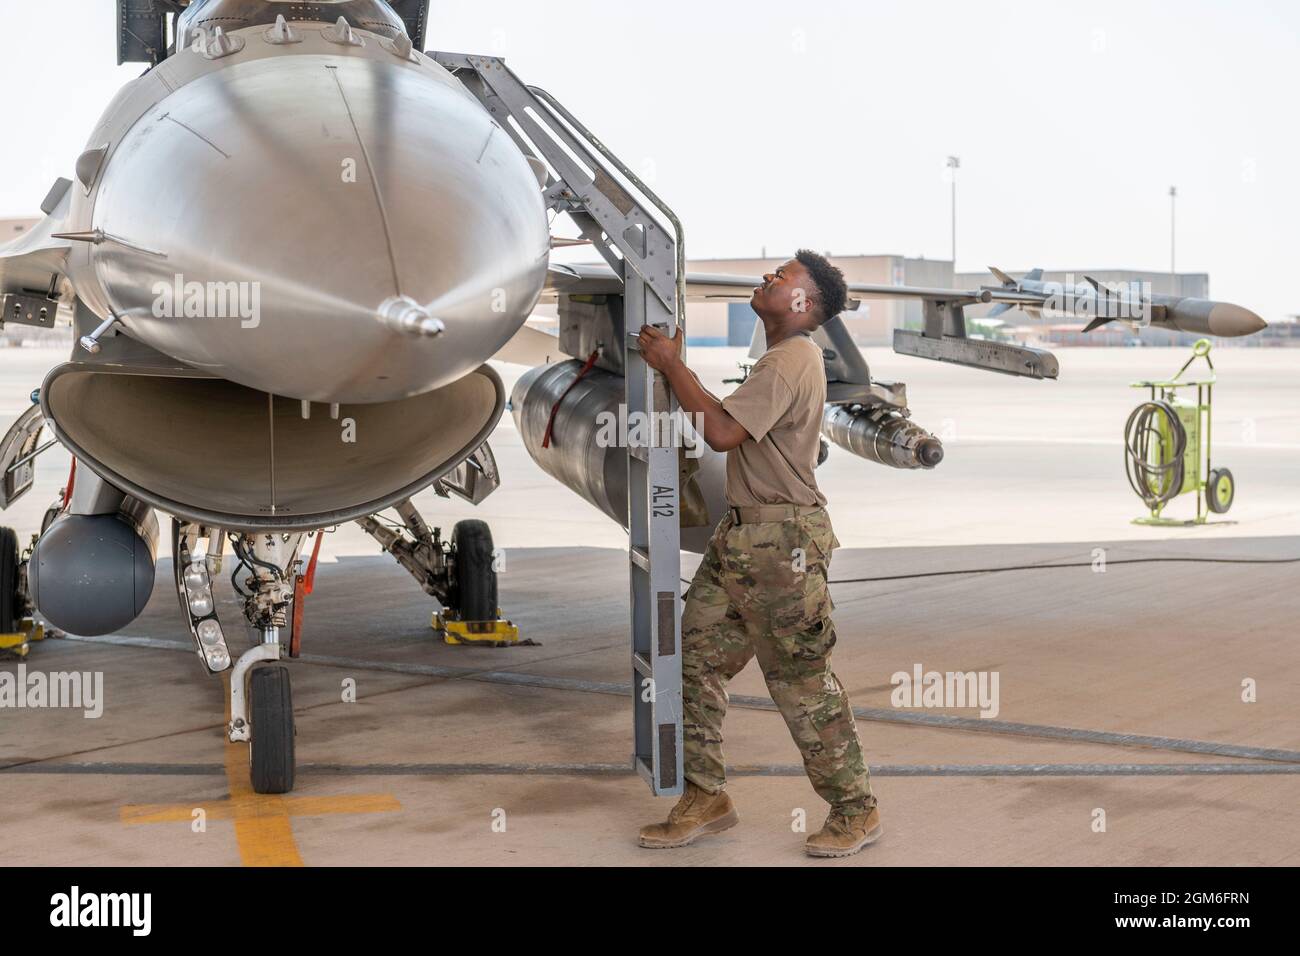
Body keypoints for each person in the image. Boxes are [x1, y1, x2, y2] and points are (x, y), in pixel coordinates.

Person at [634, 249, 881, 858]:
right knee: (692, 658)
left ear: (804, 304)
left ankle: (856, 810)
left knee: (800, 681)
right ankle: (705, 795)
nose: (769, 279)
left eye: (783, 278)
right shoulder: (778, 357)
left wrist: (671, 366)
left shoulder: (791, 360)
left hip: (781, 545)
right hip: (743, 537)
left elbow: (720, 432)